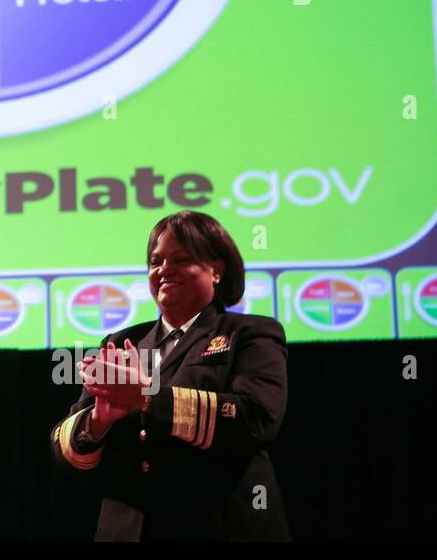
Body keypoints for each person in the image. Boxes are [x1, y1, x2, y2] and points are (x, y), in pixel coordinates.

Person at [51, 210, 289, 541]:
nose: (164, 270)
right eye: (155, 261)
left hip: (218, 527)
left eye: (180, 259)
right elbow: (66, 449)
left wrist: (147, 396)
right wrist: (99, 420)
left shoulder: (250, 333)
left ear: (216, 270)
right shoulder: (120, 343)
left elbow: (257, 419)